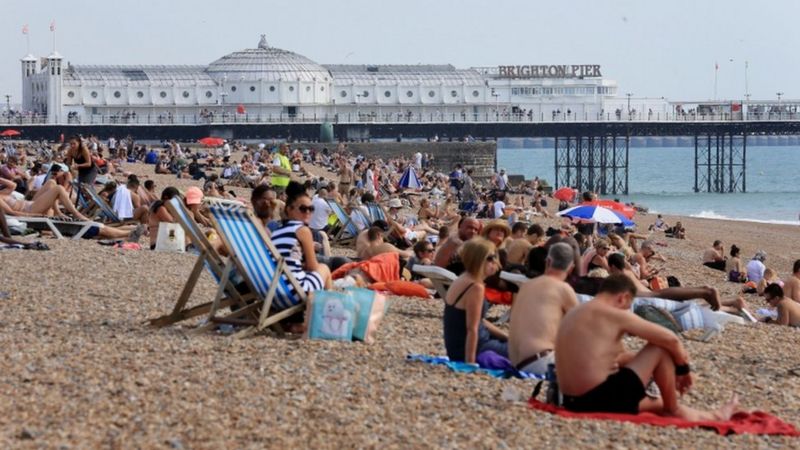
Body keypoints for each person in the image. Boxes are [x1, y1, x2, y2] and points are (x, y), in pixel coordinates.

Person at [556, 274, 739, 419]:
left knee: (657, 402)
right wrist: (683, 370)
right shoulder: (611, 312)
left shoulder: (575, 313)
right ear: (623, 298)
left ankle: (713, 415)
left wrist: (659, 371)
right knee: (660, 349)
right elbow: (670, 340)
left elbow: (614, 358)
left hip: (573, 401)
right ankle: (673, 409)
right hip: (599, 397)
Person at [508, 243, 578, 375]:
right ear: (571, 268)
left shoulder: (526, 286)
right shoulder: (563, 289)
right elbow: (579, 331)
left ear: (548, 261)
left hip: (516, 363)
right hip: (540, 360)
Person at [443, 238, 508, 363]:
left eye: (494, 257)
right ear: (478, 260)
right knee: (526, 352)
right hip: (475, 348)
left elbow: (478, 321)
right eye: (490, 258)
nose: (494, 262)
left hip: (458, 348)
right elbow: (472, 329)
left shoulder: (463, 278)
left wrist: (506, 337)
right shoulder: (475, 287)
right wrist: (470, 363)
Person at [270, 181, 332, 302]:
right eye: (303, 209)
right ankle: (327, 308)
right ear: (289, 209)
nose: (308, 212)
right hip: (294, 293)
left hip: (274, 293)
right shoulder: (302, 230)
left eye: (311, 208)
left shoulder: (277, 231)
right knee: (324, 268)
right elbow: (313, 266)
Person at [0, 178, 91, 221]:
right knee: (58, 188)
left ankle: (57, 212)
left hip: (31, 203)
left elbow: (13, 185)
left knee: (51, 182)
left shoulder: (2, 193)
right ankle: (76, 214)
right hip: (31, 209)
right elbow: (12, 212)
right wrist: (37, 215)